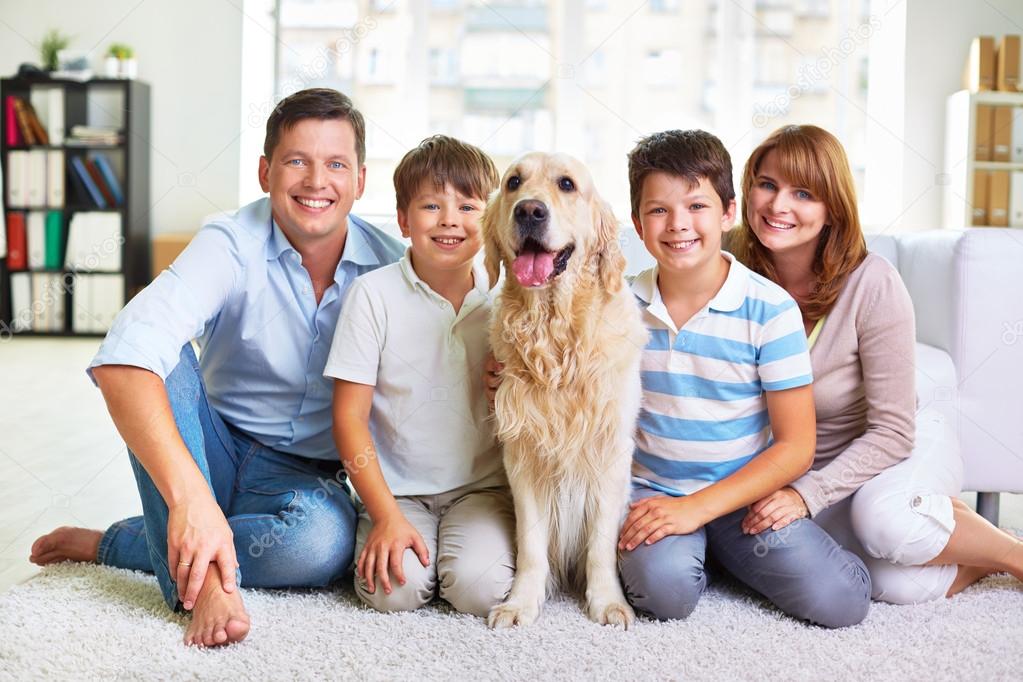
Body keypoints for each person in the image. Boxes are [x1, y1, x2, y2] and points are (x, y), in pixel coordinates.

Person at [28, 88, 405, 646]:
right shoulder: (230, 241)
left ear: (361, 180)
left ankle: (120, 544)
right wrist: (191, 498)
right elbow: (124, 354)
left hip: (306, 478)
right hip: (212, 446)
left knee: (322, 547)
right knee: (156, 355)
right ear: (264, 172)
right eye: (296, 161)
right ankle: (205, 581)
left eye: (336, 165)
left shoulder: (390, 267)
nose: (315, 181)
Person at [729, 124, 1023, 603]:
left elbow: (892, 431)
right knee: (894, 584)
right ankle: (959, 544)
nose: (778, 205)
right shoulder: (732, 271)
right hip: (803, 468)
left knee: (884, 522)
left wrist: (809, 496)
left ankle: (1012, 552)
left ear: (831, 209)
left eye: (802, 192)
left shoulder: (872, 282)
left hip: (895, 444)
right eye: (767, 184)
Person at [615, 129, 871, 628]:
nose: (678, 225)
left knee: (842, 602)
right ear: (637, 223)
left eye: (696, 206)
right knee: (665, 595)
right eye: (659, 210)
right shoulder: (617, 306)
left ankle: (716, 547)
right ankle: (698, 556)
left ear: (729, 213)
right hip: (654, 492)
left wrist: (699, 510)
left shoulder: (769, 308)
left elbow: (797, 446)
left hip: (742, 496)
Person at [326, 135, 514, 617]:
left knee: (479, 591)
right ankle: (387, 529)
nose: (450, 220)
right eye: (431, 205)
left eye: (469, 206)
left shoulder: (508, 296)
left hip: (483, 489)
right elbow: (349, 418)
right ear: (404, 220)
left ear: (490, 217)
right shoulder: (372, 295)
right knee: (395, 592)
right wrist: (386, 516)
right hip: (396, 491)